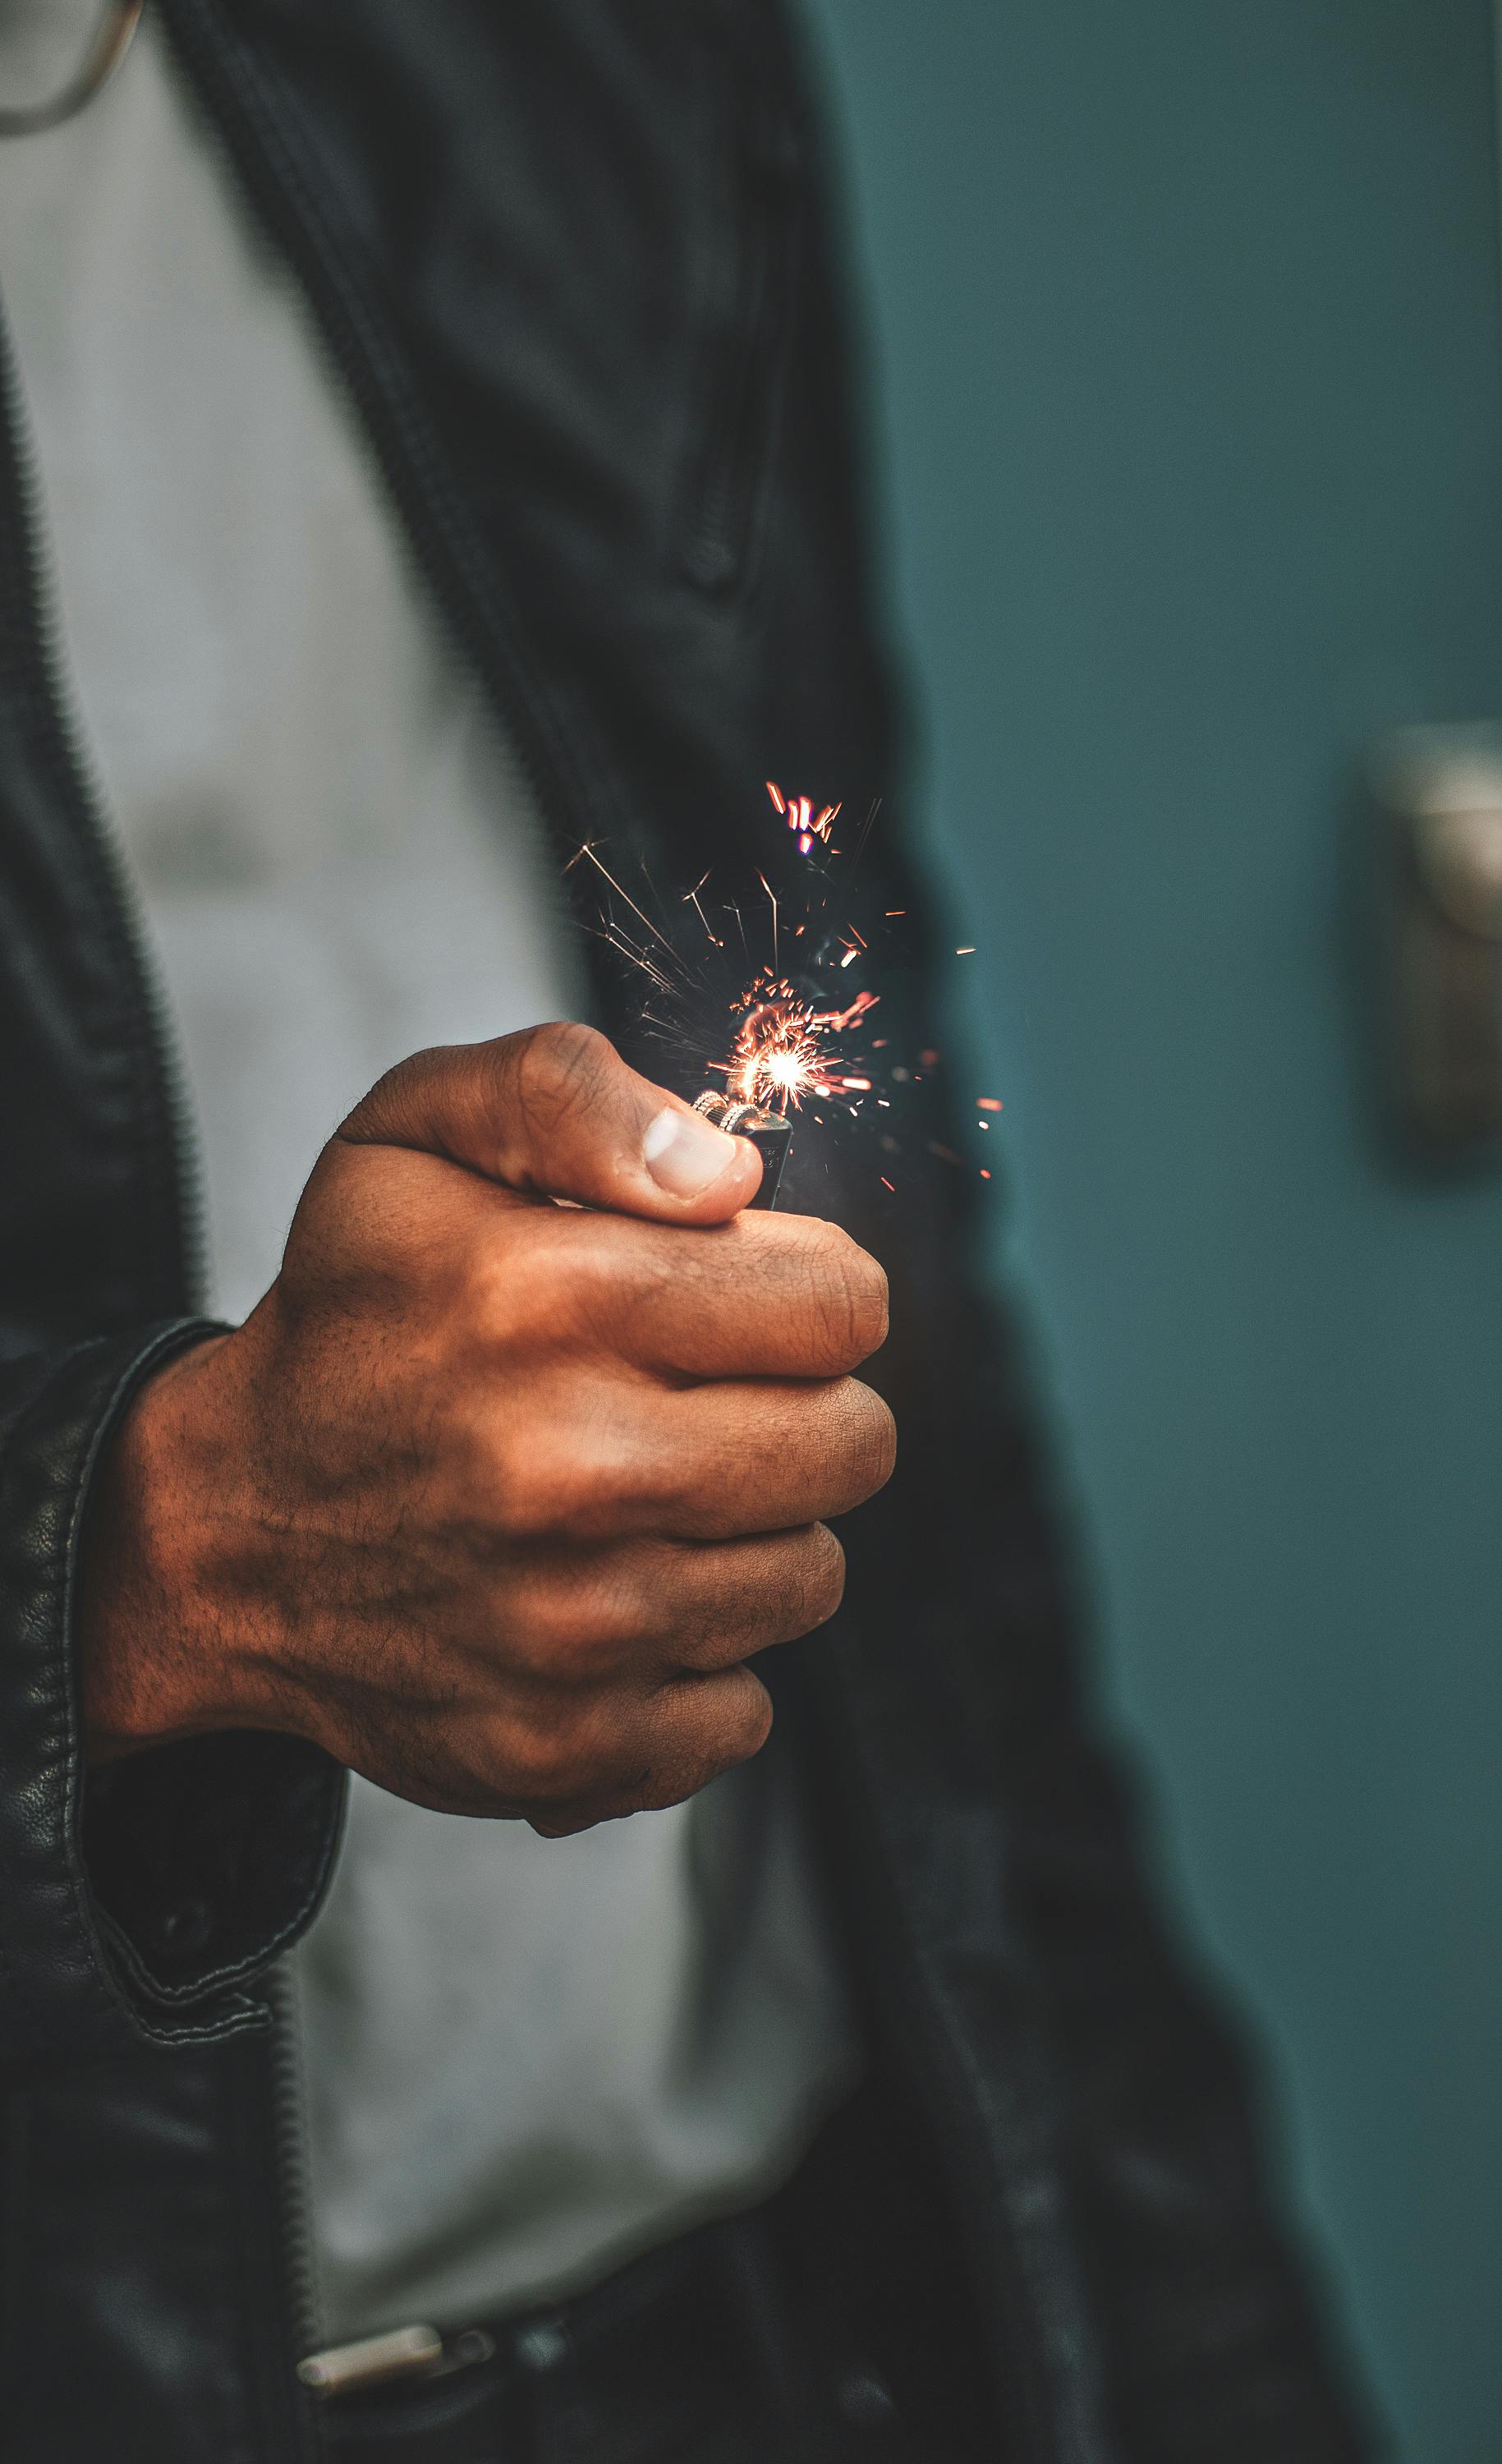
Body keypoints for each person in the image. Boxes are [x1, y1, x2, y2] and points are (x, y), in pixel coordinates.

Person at [0, 4, 1373, 2460]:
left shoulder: (600, 57)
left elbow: (915, 1449)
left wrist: (1196, 2359)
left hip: (768, 2342)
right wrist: (136, 1574)